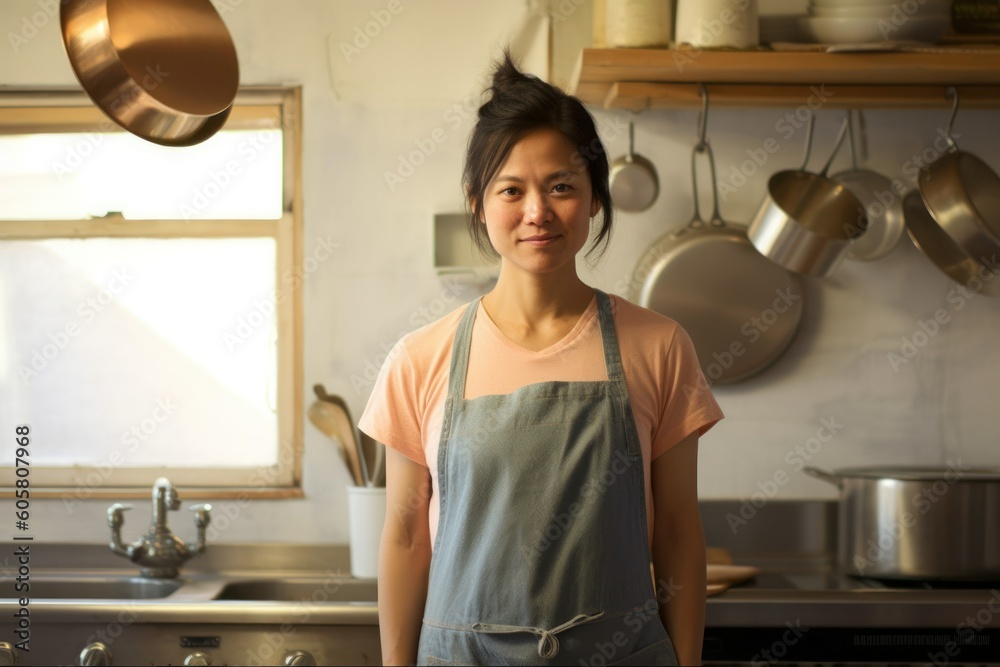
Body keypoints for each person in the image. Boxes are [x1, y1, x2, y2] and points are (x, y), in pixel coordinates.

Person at [359, 51, 724, 667]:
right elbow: (403, 536)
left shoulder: (659, 346)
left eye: (561, 186)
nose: (538, 212)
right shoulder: (420, 359)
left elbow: (679, 533)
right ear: (478, 201)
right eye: (512, 190)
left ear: (594, 199)